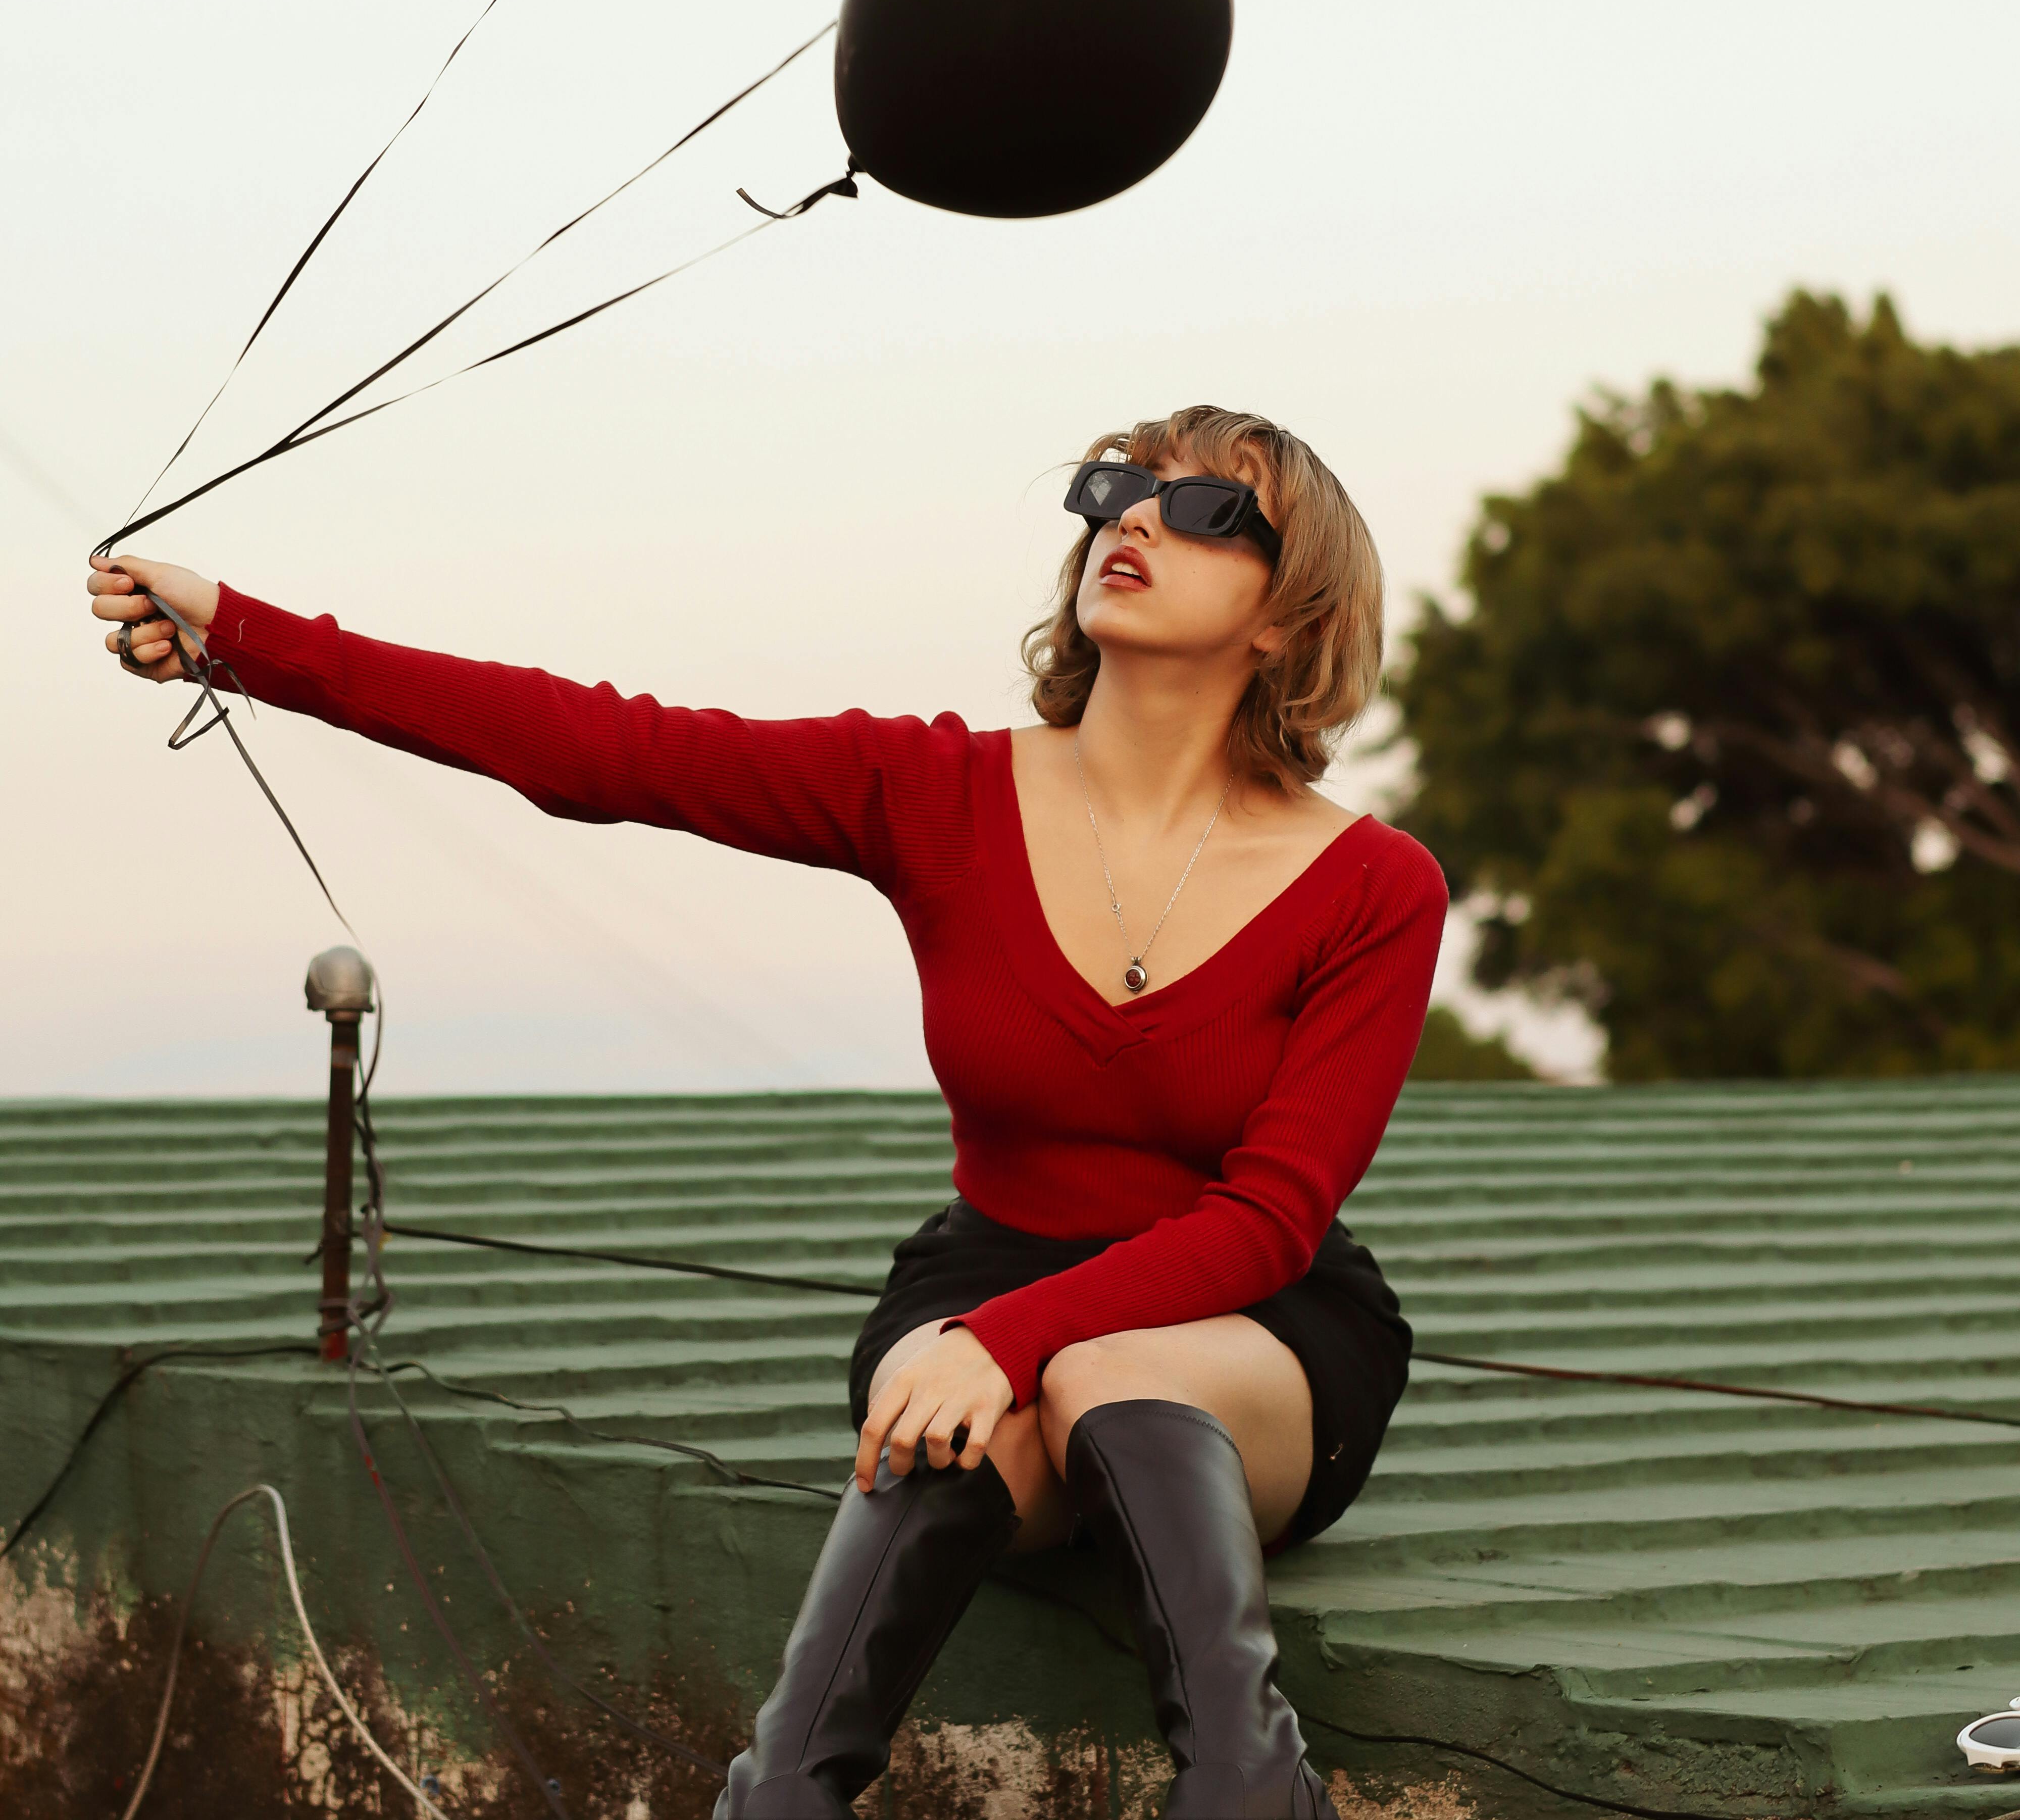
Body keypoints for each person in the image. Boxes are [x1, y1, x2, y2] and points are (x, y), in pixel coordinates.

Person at [88, 405, 1445, 1819]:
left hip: (1255, 1332)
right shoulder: (933, 791)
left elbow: (1274, 1217)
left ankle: (1246, 1791)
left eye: (1210, 509)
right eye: (1115, 489)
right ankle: (781, 1799)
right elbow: (601, 750)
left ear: (1292, 620)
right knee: (944, 1418)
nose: (1138, 519)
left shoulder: (1371, 886)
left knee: (1111, 1374)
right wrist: (244, 636)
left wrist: (1014, 1340)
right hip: (990, 1286)